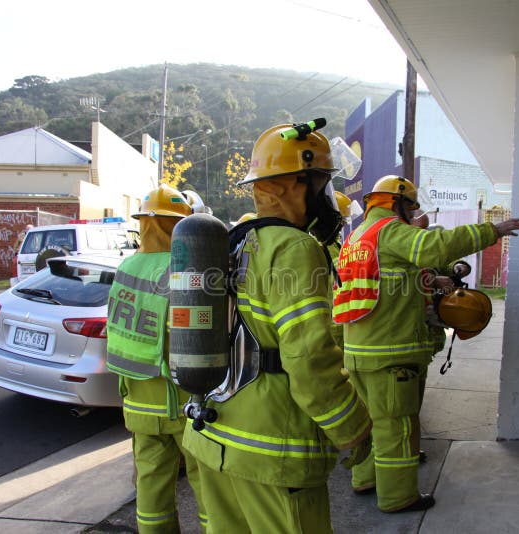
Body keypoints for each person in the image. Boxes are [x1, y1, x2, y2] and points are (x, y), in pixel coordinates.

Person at [183, 122, 372, 533]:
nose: (327, 197)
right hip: (271, 451)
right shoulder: (294, 247)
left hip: (212, 437)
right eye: (322, 183)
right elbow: (309, 360)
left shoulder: (236, 240)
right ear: (292, 184)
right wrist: (353, 428)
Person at [333, 175, 519, 513]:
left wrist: (427, 279)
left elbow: (388, 278)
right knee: (397, 427)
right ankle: (397, 497)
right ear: (398, 204)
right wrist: (492, 231)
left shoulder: (358, 237)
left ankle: (365, 479)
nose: (413, 213)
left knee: (371, 424)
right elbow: (433, 247)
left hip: (360, 350)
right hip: (390, 352)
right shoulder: (390, 231)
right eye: (411, 206)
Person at [105, 185, 206, 533]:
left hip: (136, 399)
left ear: (144, 224)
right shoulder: (183, 269)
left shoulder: (125, 267)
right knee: (206, 483)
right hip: (180, 401)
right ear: (178, 226)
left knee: (150, 486)